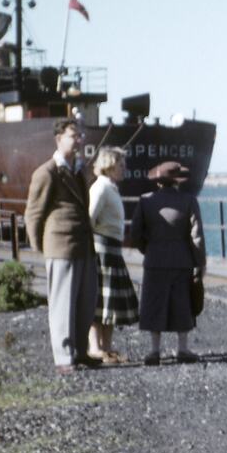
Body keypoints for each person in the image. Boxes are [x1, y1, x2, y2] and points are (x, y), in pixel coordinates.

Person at [24, 119, 100, 373]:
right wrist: (40, 247)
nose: (78, 140)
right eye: (73, 136)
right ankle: (64, 357)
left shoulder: (79, 170)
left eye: (80, 136)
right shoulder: (47, 173)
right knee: (63, 303)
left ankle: (80, 352)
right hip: (61, 245)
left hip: (83, 245)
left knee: (85, 301)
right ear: (59, 139)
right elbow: (34, 213)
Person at [130, 160, 205, 364]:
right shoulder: (189, 201)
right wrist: (200, 263)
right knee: (182, 303)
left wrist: (149, 249)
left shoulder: (145, 201)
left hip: (154, 260)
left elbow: (135, 234)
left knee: (154, 303)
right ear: (177, 181)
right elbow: (196, 236)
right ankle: (183, 349)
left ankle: (154, 351)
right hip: (182, 260)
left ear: (158, 182)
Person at [88, 146, 138, 363]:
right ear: (109, 165)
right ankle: (94, 347)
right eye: (120, 164)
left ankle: (106, 347)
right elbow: (89, 219)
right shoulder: (100, 188)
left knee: (109, 303)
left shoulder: (111, 187)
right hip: (101, 249)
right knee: (99, 300)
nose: (124, 168)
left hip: (112, 250)